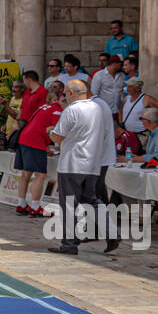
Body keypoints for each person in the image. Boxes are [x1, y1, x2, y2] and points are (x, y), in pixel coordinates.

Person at [48, 79, 113, 255]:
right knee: (92, 199)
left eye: (65, 94)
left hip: (72, 163)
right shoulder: (98, 108)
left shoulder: (72, 110)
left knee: (69, 204)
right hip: (92, 164)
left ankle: (69, 243)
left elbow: (58, 137)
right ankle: (111, 232)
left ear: (71, 93)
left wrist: (51, 133)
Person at [13, 80, 64, 217]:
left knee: (25, 173)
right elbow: (54, 132)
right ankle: (36, 207)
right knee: (40, 175)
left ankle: (21, 204)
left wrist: (46, 145)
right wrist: (59, 146)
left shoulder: (43, 107)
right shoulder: (57, 111)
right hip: (34, 141)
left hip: (24, 138)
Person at [117, 77, 158, 149]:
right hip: (128, 134)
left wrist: (153, 122)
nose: (127, 89)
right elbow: (121, 111)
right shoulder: (126, 99)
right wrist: (121, 123)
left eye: (130, 86)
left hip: (141, 135)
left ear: (137, 88)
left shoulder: (146, 99)